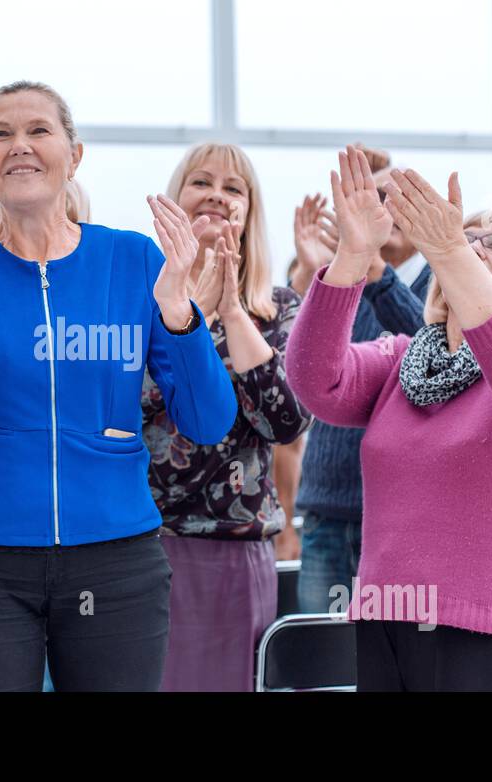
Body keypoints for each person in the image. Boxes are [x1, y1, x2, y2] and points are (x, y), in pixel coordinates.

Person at [0, 80, 236, 692]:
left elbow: (207, 420)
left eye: (39, 130)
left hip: (115, 560)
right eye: (0, 134)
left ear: (75, 153)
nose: (20, 146)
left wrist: (179, 312)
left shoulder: (135, 261)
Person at [287, 146, 492, 691]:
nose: (473, 248)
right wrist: (352, 256)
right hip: (387, 620)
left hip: (491, 628)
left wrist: (449, 250)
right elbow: (312, 379)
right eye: (464, 239)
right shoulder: (401, 357)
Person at [143, 142, 310, 691]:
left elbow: (285, 422)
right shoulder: (136, 299)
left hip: (234, 550)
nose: (216, 194)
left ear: (250, 211)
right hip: (140, 544)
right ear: (176, 197)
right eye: (201, 181)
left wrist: (232, 310)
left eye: (233, 187)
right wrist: (182, 316)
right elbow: (120, 406)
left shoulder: (278, 308)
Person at [274, 147, 433, 610]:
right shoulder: (340, 282)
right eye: (378, 196)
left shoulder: (440, 284)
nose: (389, 208)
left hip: (395, 512)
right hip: (325, 507)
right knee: (322, 662)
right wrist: (310, 272)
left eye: (403, 197)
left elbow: (429, 347)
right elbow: (301, 364)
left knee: (384, 658)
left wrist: (375, 270)